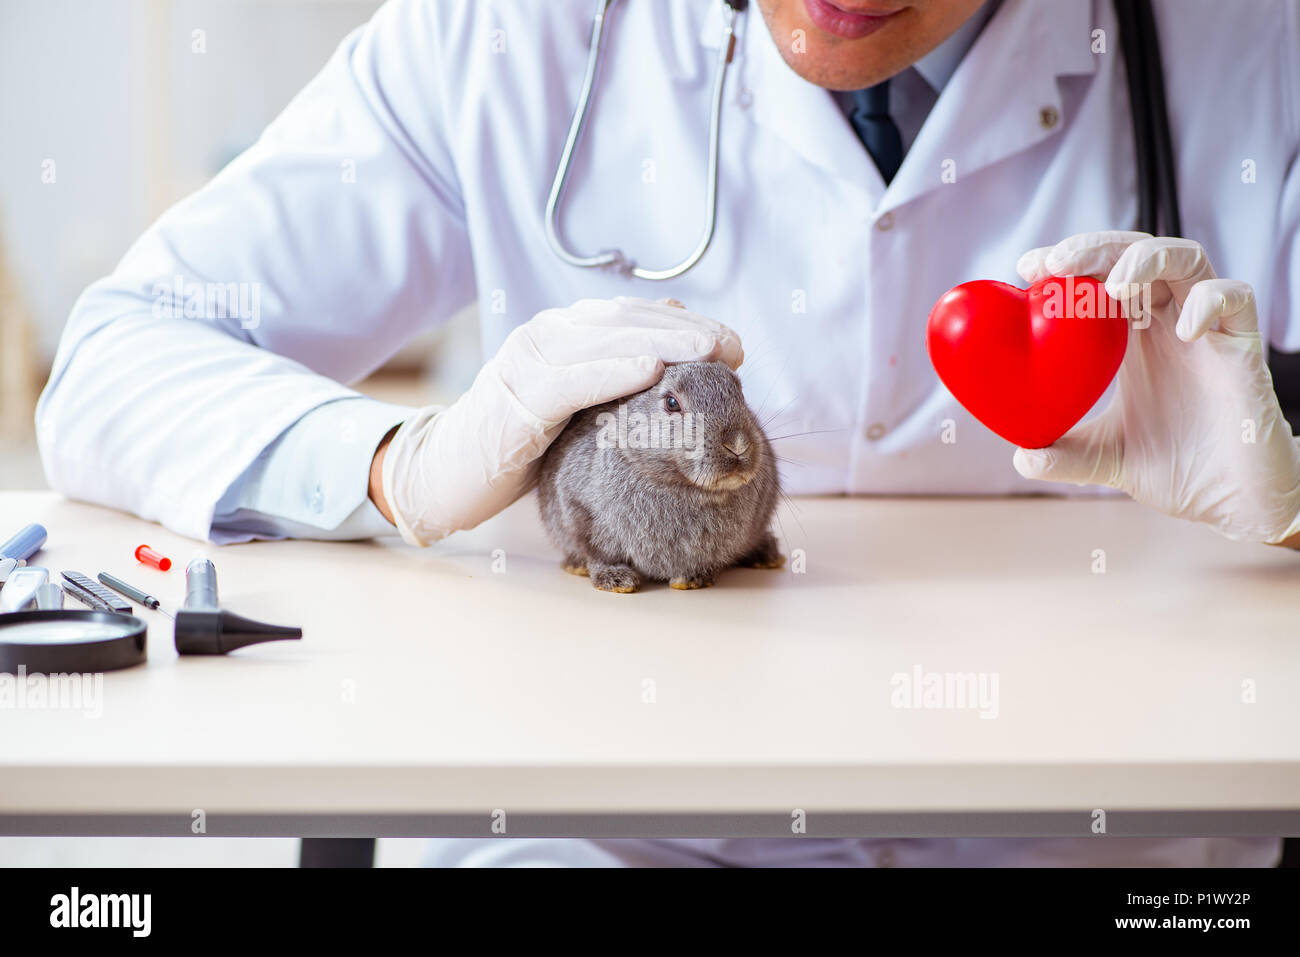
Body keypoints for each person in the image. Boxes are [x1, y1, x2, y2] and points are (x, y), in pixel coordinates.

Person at [37, 0, 1300, 866]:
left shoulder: (1254, 47)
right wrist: (392, 464)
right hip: (590, 835)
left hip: (1120, 851)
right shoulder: (508, 40)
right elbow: (118, 353)